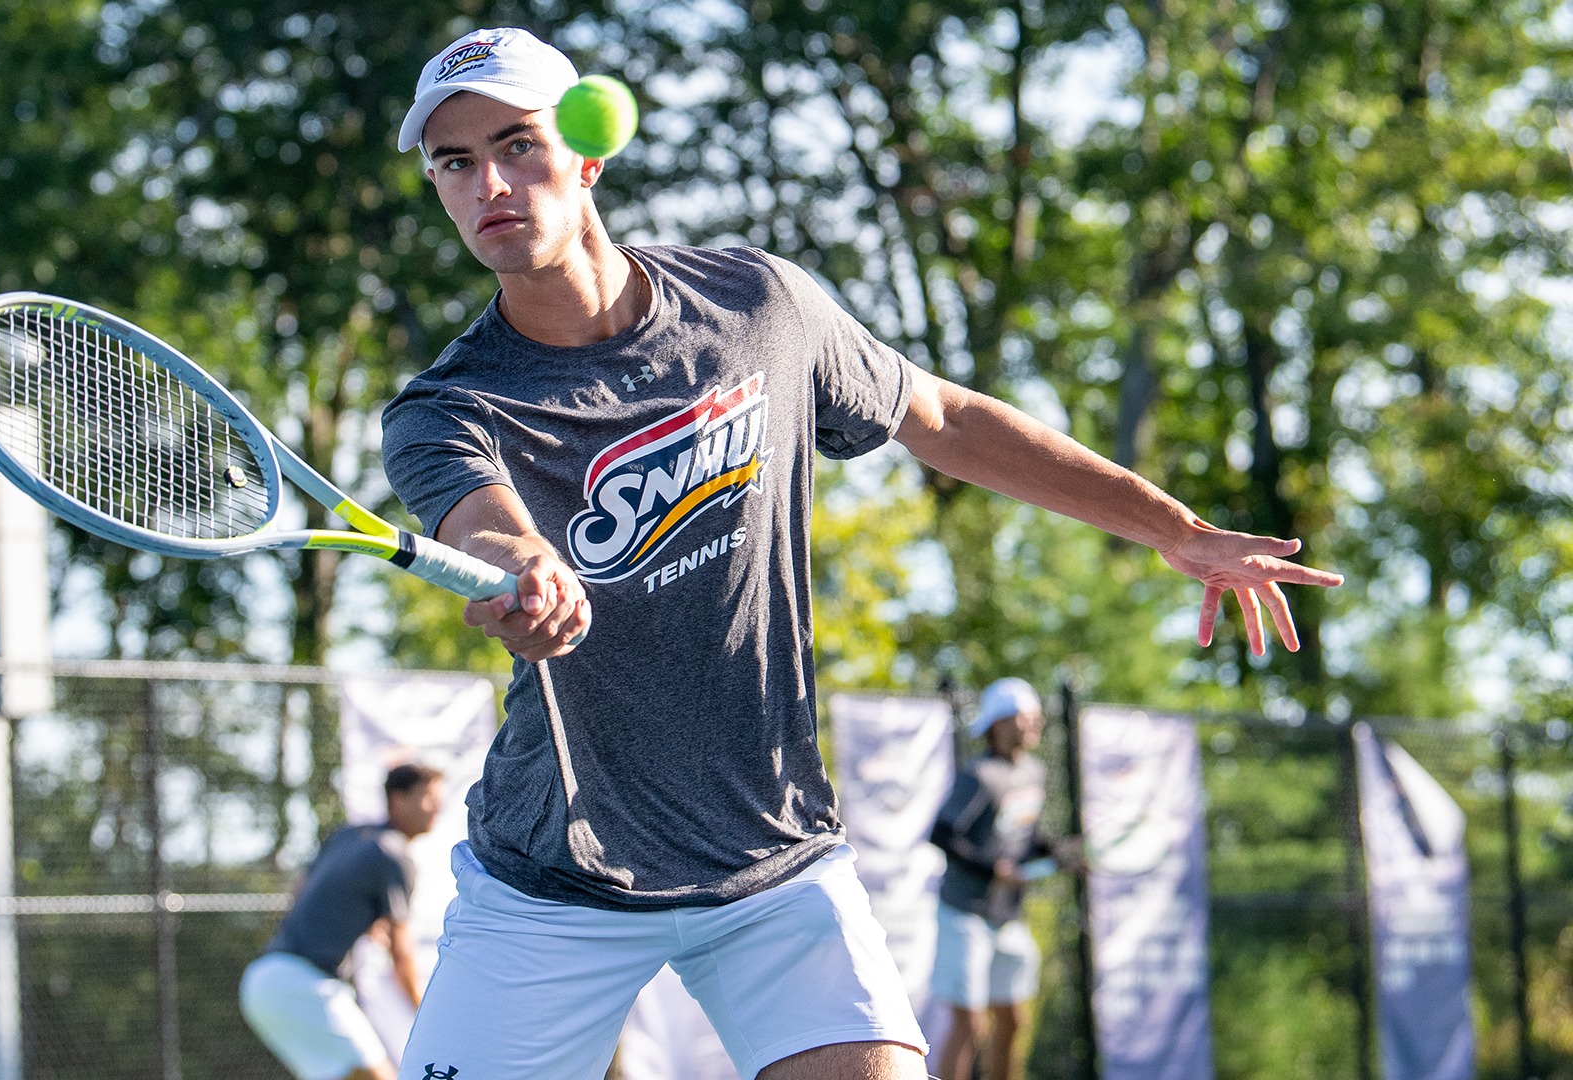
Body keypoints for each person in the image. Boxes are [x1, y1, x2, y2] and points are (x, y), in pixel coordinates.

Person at [378, 26, 1343, 1080]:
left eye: (516, 145)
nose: (490, 185)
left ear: (587, 152)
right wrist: (526, 566)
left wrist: (1179, 530)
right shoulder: (446, 406)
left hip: (774, 865)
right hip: (552, 887)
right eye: (454, 163)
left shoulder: (759, 307)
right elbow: (485, 522)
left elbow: (942, 416)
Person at [239, 763, 445, 1080]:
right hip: (303, 983)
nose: (437, 807)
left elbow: (303, 889)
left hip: (262, 980)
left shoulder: (348, 836)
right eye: (427, 797)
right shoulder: (394, 856)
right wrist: (427, 1017)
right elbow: (401, 955)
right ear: (397, 800)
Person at [929, 677, 1081, 1080]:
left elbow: (1023, 837)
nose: (1035, 723)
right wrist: (994, 870)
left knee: (1014, 1020)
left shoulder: (1034, 771)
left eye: (1036, 716)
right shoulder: (979, 775)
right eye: (1025, 716)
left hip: (1007, 917)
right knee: (970, 1025)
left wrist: (1058, 853)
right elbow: (942, 834)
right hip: (965, 914)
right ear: (998, 723)